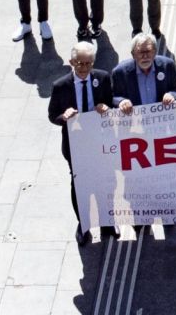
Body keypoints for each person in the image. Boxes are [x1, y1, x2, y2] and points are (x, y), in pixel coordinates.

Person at [47, 41, 115, 244]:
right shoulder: (60, 86)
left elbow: (112, 103)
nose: (84, 68)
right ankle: (83, 223)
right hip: (75, 145)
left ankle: (107, 221)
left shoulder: (102, 78)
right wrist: (64, 116)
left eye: (88, 63)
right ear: (71, 62)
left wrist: (106, 107)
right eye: (80, 63)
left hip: (99, 142)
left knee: (103, 183)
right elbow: (52, 115)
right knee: (79, 185)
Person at [112, 33, 176, 106]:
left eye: (148, 51)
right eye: (140, 52)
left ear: (154, 52)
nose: (145, 56)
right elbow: (113, 97)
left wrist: (171, 95)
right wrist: (121, 101)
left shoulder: (167, 66)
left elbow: (175, 90)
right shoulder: (120, 72)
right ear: (133, 54)